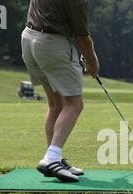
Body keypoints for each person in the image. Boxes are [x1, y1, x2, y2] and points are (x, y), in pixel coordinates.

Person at [21, 0, 99, 182]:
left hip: (29, 38)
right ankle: (52, 158)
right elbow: (82, 38)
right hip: (51, 44)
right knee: (74, 104)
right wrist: (92, 62)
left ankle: (54, 159)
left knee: (56, 104)